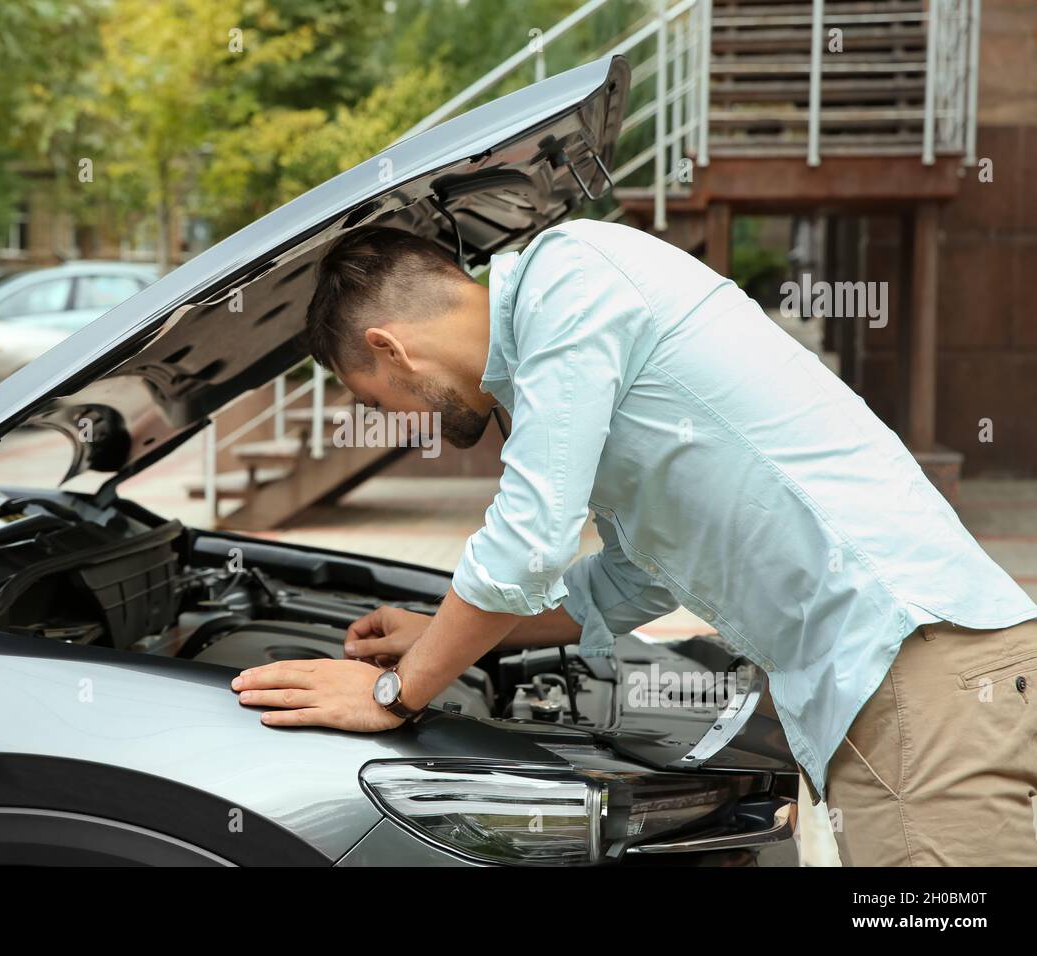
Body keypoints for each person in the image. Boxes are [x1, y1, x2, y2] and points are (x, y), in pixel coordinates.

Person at [230, 220, 1037, 866]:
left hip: (914, 667)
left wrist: (394, 693)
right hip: (889, 679)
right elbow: (629, 581)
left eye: (388, 400)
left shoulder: (568, 282)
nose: (416, 422)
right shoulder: (568, 337)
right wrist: (449, 640)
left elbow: (526, 541)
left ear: (389, 347)